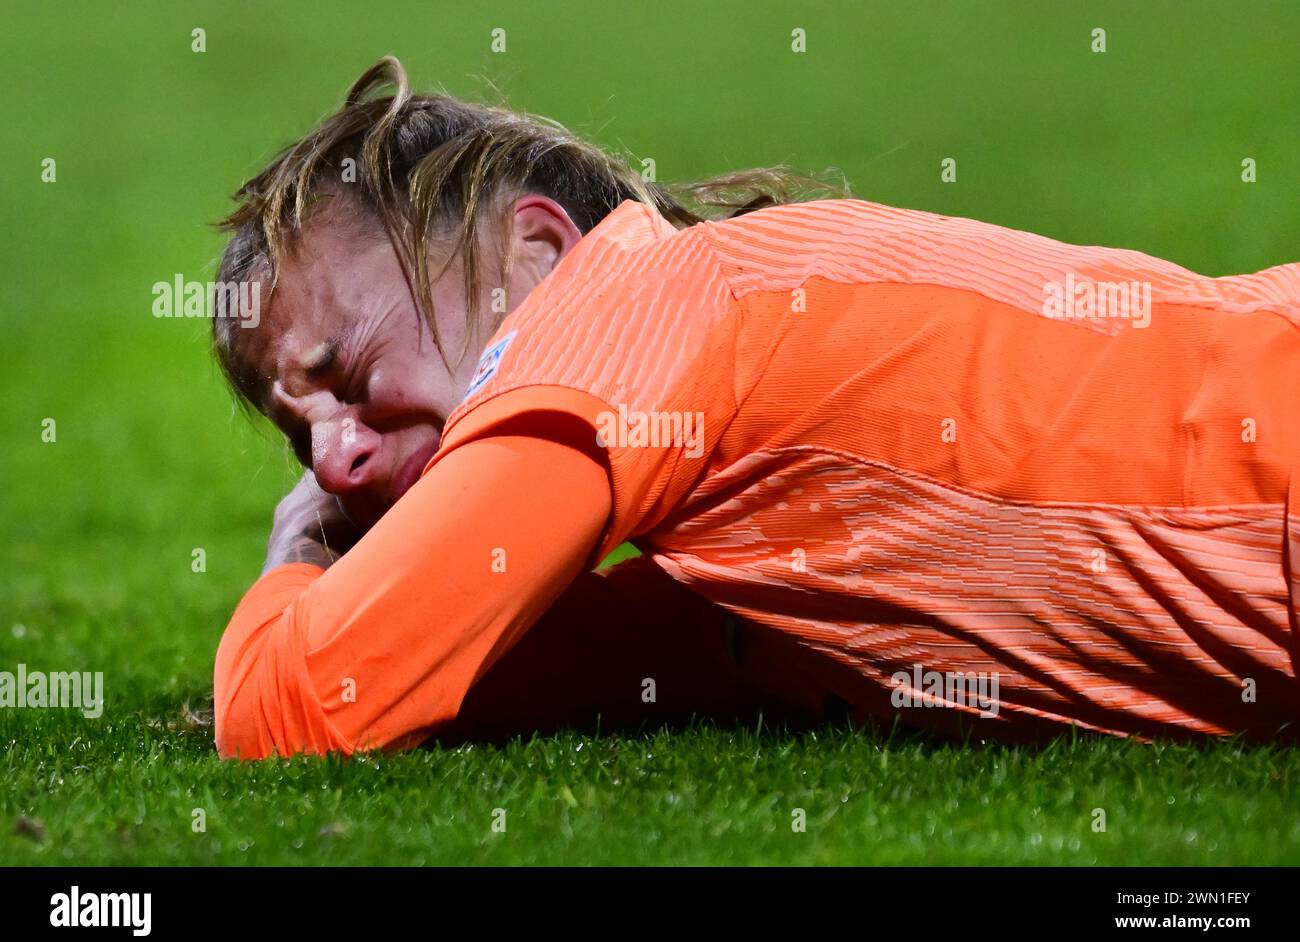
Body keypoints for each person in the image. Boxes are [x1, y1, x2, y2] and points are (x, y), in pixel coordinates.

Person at [211, 56, 1300, 759]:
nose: (335, 463)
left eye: (346, 372)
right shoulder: (738, 502)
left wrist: (297, 548)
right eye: (301, 435)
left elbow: (303, 706)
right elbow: (495, 665)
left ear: (536, 252)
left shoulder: (623, 311)